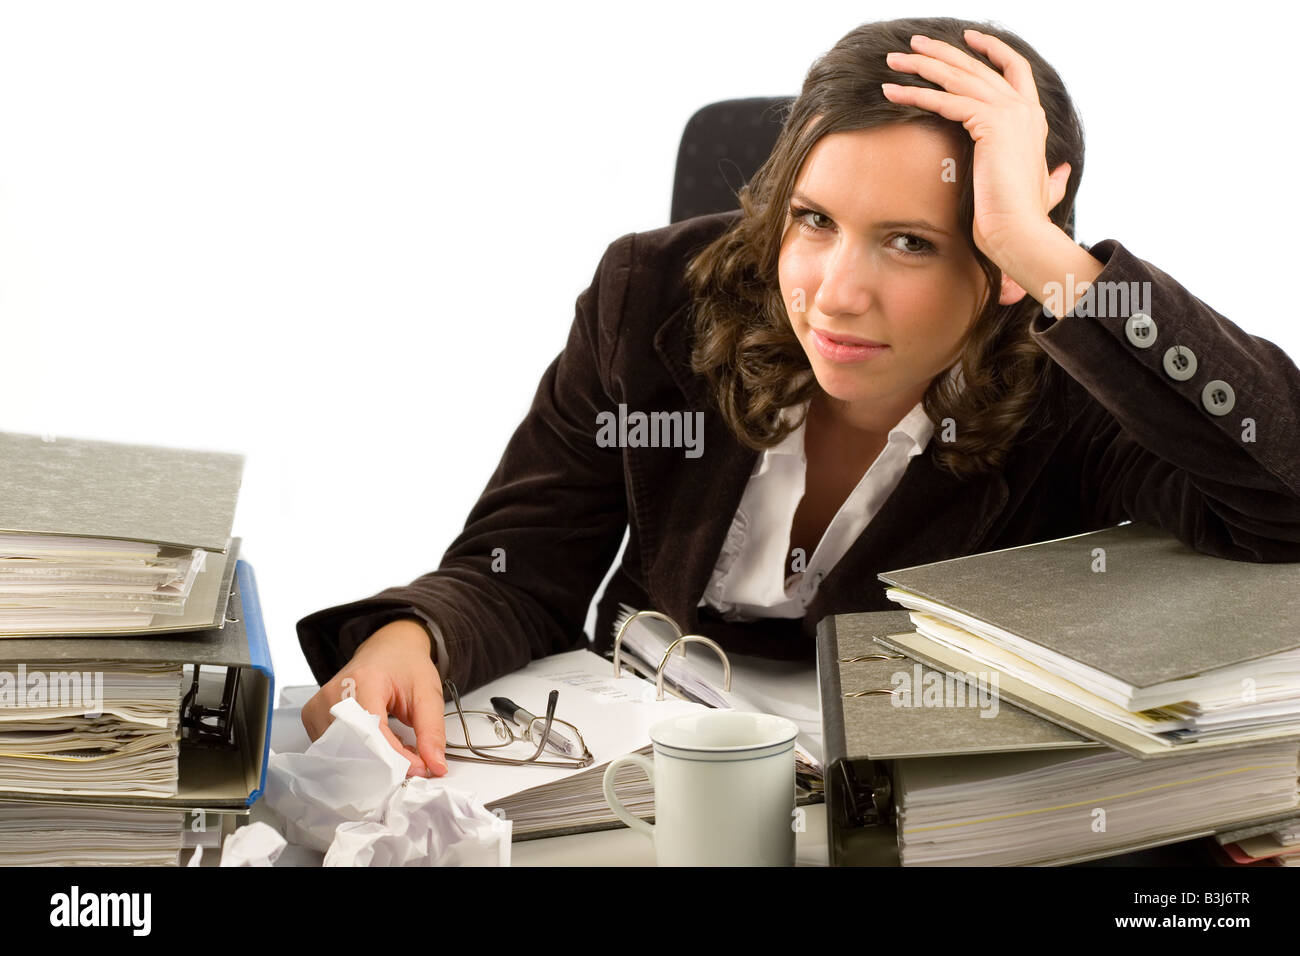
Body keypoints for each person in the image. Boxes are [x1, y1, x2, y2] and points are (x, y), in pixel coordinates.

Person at [296, 16, 1300, 779]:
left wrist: (1045, 256)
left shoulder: (1077, 388)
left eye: (909, 240)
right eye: (813, 219)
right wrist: (411, 633)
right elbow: (523, 569)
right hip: (634, 779)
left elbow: (1285, 494)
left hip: (909, 804)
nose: (834, 289)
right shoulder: (650, 300)